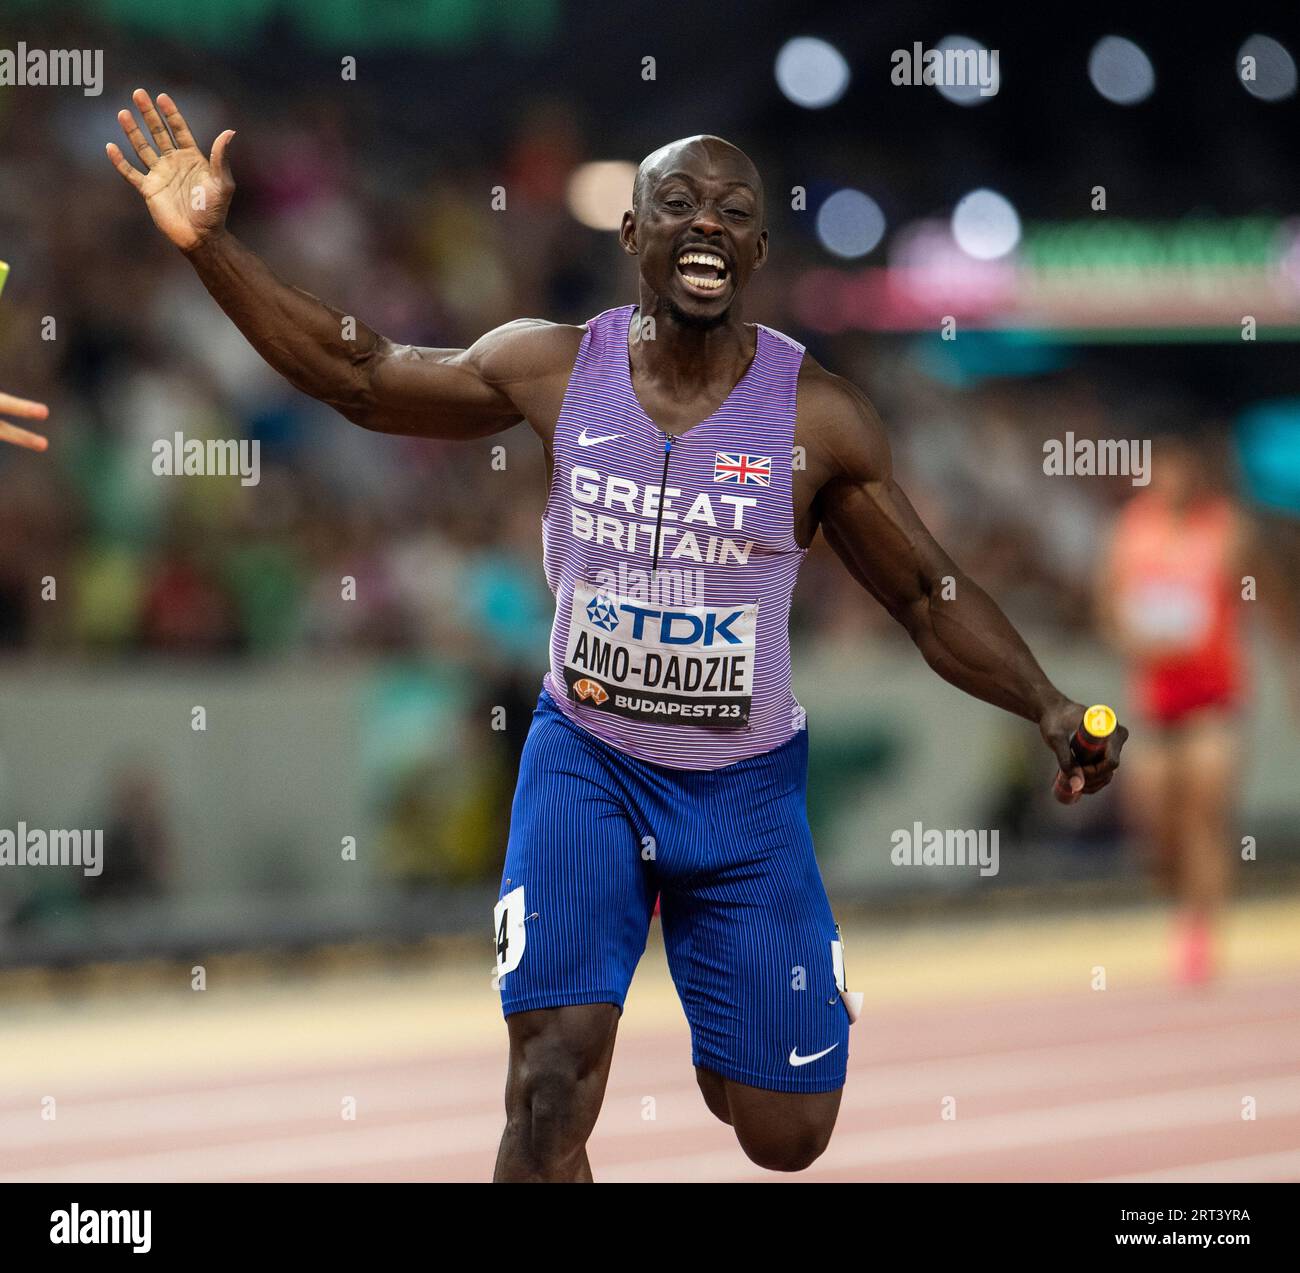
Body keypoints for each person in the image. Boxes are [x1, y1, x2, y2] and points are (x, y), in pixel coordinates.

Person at [107, 89, 1126, 1180]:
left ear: (759, 249)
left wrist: (1046, 702)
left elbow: (928, 594)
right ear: (632, 232)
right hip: (585, 768)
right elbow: (359, 374)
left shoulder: (816, 418)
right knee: (549, 1087)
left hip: (743, 796)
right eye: (676, 202)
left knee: (786, 1133)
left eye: (733, 210)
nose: (706, 222)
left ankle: (725, 1025)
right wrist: (211, 245)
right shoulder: (552, 367)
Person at [1098, 432, 1244, 985]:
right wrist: (1132, 635)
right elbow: (1108, 605)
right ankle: (1175, 893)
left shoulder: (1226, 528)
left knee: (1204, 814)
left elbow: (1268, 598)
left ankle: (1199, 928)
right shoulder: (1132, 531)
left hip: (1213, 700)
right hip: (1155, 702)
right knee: (1155, 820)